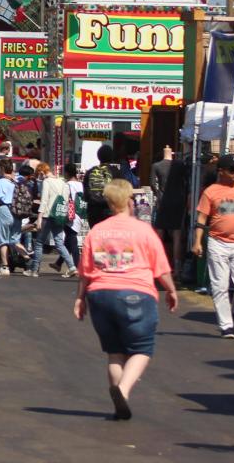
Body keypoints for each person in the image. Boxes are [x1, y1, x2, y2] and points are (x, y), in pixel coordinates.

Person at [74, 179, 177, 421]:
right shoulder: (142, 230)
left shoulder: (97, 231)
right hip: (135, 293)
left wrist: (80, 299)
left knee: (114, 352)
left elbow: (85, 269)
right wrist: (171, 290)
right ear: (129, 200)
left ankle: (119, 403)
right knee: (142, 349)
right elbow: (160, 267)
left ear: (109, 203)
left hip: (100, 294)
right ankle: (123, 390)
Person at [193, 153, 234, 338]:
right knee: (220, 286)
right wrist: (197, 241)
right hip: (217, 241)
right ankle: (226, 325)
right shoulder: (210, 191)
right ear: (221, 171)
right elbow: (202, 218)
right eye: (232, 170)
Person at [31, 163, 77, 278]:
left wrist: (39, 217)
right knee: (59, 243)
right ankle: (72, 267)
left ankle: (34, 270)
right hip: (59, 215)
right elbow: (66, 200)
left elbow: (44, 200)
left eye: (39, 175)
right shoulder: (63, 182)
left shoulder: (46, 182)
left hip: (47, 215)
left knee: (39, 243)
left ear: (42, 172)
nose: (39, 178)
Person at [151, 145, 188, 275]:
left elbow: (152, 184)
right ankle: (177, 268)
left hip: (163, 201)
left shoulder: (156, 166)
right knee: (177, 235)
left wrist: (158, 194)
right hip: (178, 201)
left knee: (159, 234)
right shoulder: (180, 165)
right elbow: (186, 182)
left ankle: (160, 266)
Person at [0, 161, 25, 275]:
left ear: (2, 169)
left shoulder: (0, 182)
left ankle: (5, 267)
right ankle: (28, 258)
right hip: (17, 211)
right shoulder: (15, 181)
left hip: (5, 210)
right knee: (15, 240)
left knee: (3, 240)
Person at [83, 146, 120, 227]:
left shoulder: (90, 172)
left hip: (93, 212)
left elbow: (85, 196)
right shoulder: (116, 172)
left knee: (96, 237)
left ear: (98, 156)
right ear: (111, 156)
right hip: (110, 211)